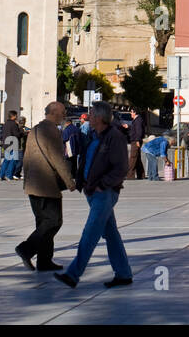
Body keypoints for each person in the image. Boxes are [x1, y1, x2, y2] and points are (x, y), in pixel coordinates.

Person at [55, 102, 133, 289]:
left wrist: (103, 185)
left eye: (91, 113)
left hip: (104, 193)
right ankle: (123, 274)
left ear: (99, 117)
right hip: (92, 191)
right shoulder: (93, 135)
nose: (88, 116)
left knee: (90, 232)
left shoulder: (114, 137)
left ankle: (73, 274)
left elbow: (121, 168)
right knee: (111, 234)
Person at [15, 101, 75, 272]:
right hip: (47, 185)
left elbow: (27, 157)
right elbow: (57, 158)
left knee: (43, 222)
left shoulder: (34, 129)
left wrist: (26, 180)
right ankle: (26, 249)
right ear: (54, 112)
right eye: (63, 112)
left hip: (33, 185)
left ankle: (45, 261)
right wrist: (69, 181)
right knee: (53, 221)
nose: (64, 115)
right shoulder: (51, 131)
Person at [0, 111, 23, 181]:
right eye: (16, 116)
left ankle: (1, 175)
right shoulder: (14, 124)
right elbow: (17, 134)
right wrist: (22, 132)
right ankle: (9, 175)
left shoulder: (5, 123)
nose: (17, 117)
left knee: (6, 160)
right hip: (13, 143)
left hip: (6, 143)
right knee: (13, 160)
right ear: (14, 116)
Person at [127, 107, 146, 181]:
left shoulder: (138, 120)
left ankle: (130, 176)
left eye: (131, 112)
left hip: (136, 141)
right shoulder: (137, 120)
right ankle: (141, 175)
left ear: (135, 112)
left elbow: (139, 131)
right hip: (135, 140)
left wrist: (138, 140)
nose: (130, 113)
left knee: (133, 158)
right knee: (137, 158)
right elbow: (135, 129)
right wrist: (128, 126)